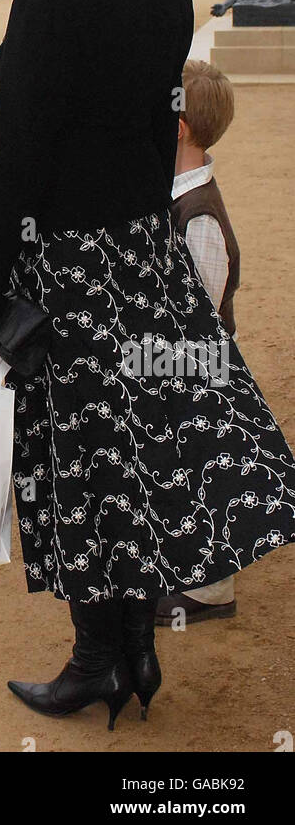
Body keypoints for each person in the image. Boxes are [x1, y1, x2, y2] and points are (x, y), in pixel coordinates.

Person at [0, 0, 295, 730]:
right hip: (136, 251)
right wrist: (145, 231)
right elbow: (155, 127)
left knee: (75, 464)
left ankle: (100, 658)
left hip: (64, 265)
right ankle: (134, 644)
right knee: (134, 453)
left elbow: (14, 162)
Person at [157, 59, 240, 626]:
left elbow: (200, 307)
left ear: (180, 127)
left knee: (203, 471)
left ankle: (211, 592)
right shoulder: (179, 192)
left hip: (195, 366)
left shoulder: (199, 212)